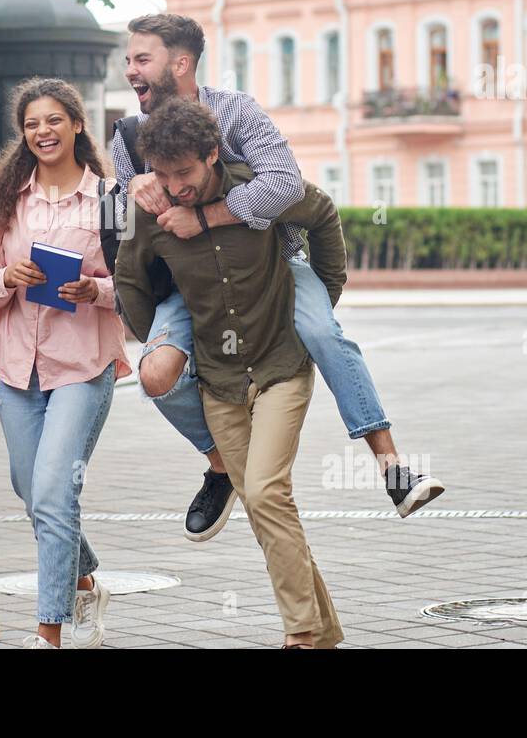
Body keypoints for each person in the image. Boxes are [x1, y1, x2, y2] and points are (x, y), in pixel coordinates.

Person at [115, 13, 444, 540]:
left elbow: (287, 186)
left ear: (179, 63)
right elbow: (128, 227)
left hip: (271, 267)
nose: (129, 69)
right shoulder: (129, 135)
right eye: (127, 59)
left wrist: (206, 217)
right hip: (190, 284)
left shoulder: (236, 112)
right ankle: (219, 466)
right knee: (154, 373)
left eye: (140, 59)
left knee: (320, 331)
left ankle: (392, 467)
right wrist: (127, 192)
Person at [116, 99, 346, 648]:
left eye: (186, 173)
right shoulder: (151, 210)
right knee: (267, 508)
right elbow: (130, 281)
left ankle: (300, 636)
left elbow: (322, 214)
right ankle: (323, 631)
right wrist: (170, 341)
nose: (175, 187)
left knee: (266, 493)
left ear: (212, 155)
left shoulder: (258, 189)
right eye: (164, 174)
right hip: (218, 384)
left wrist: (324, 295)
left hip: (280, 366)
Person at [0, 76, 131, 649]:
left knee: (55, 491)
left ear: (77, 124)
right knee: (31, 488)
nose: (43, 132)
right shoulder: (2, 201)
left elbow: (138, 286)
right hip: (15, 367)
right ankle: (86, 584)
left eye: (54, 120)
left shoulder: (111, 200)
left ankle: (48, 632)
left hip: (83, 364)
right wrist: (6, 279)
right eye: (32, 124)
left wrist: (95, 290)